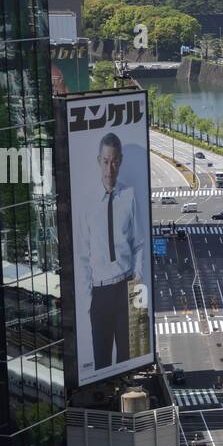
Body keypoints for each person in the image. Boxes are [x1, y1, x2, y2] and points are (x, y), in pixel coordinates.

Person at [78, 132, 145, 373]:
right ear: (99, 161)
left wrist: (137, 276)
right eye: (106, 161)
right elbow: (83, 256)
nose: (110, 168)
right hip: (100, 293)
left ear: (121, 161)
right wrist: (89, 299)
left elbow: (138, 243)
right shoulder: (86, 203)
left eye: (115, 161)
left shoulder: (129, 196)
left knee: (130, 361)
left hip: (126, 287)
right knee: (101, 365)